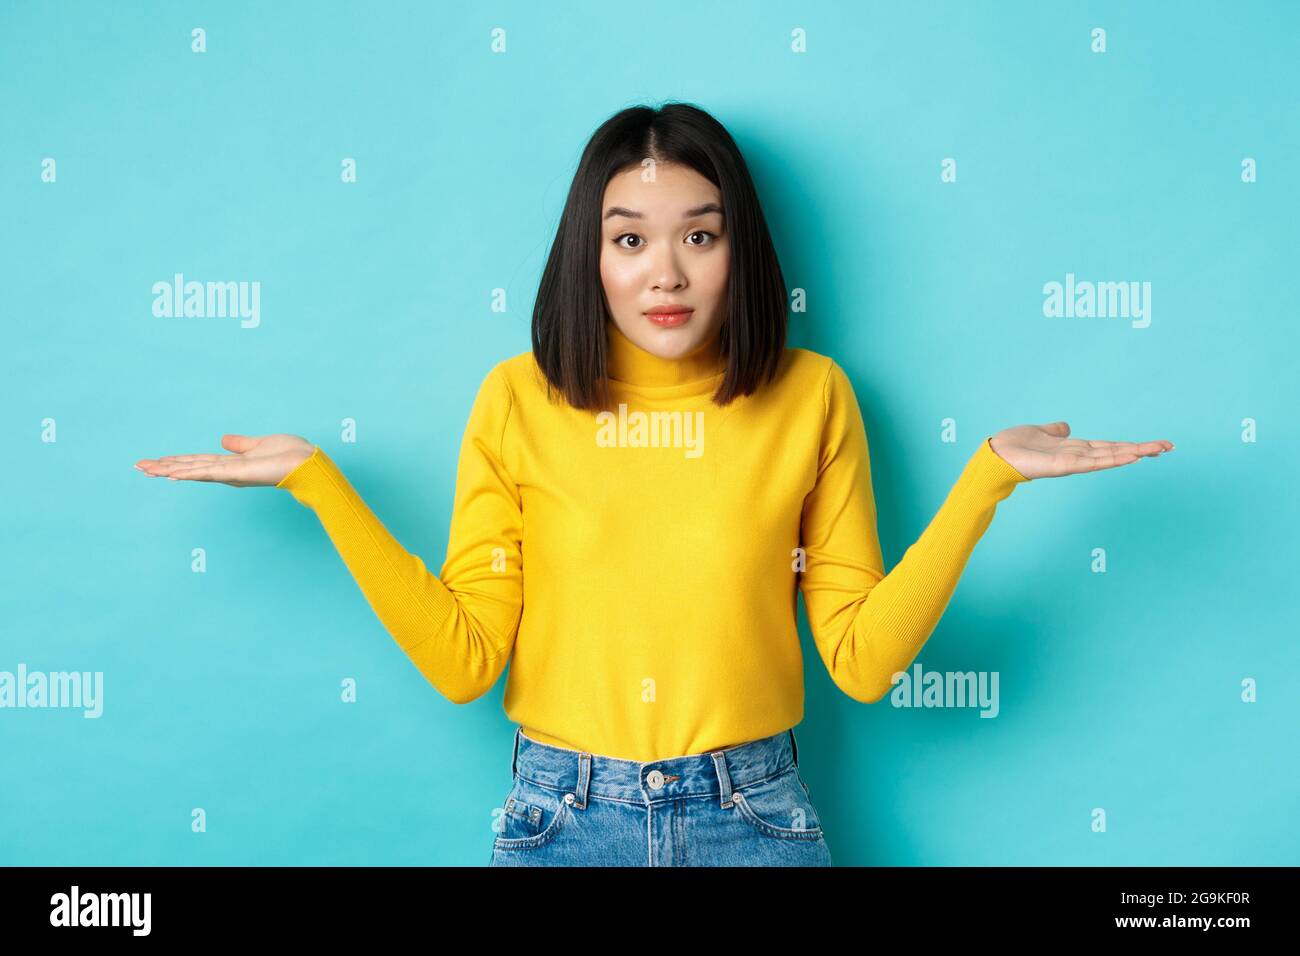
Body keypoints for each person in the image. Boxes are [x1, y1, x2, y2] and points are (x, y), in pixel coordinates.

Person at [135, 102, 1174, 867]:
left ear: (736, 250)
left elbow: (858, 659)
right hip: (558, 814)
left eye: (699, 234)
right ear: (589, 256)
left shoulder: (810, 396)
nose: (664, 271)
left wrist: (986, 481)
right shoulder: (516, 398)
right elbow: (463, 661)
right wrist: (320, 484)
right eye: (629, 238)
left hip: (754, 812)